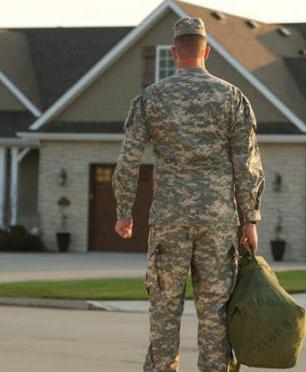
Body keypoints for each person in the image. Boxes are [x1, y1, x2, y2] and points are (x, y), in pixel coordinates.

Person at [111, 16, 266, 372]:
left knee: (165, 308)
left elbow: (129, 160)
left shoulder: (150, 99)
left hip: (169, 219)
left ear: (173, 52)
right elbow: (247, 163)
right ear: (207, 51)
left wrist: (124, 212)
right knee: (215, 312)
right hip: (218, 221)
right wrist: (250, 220)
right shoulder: (232, 97)